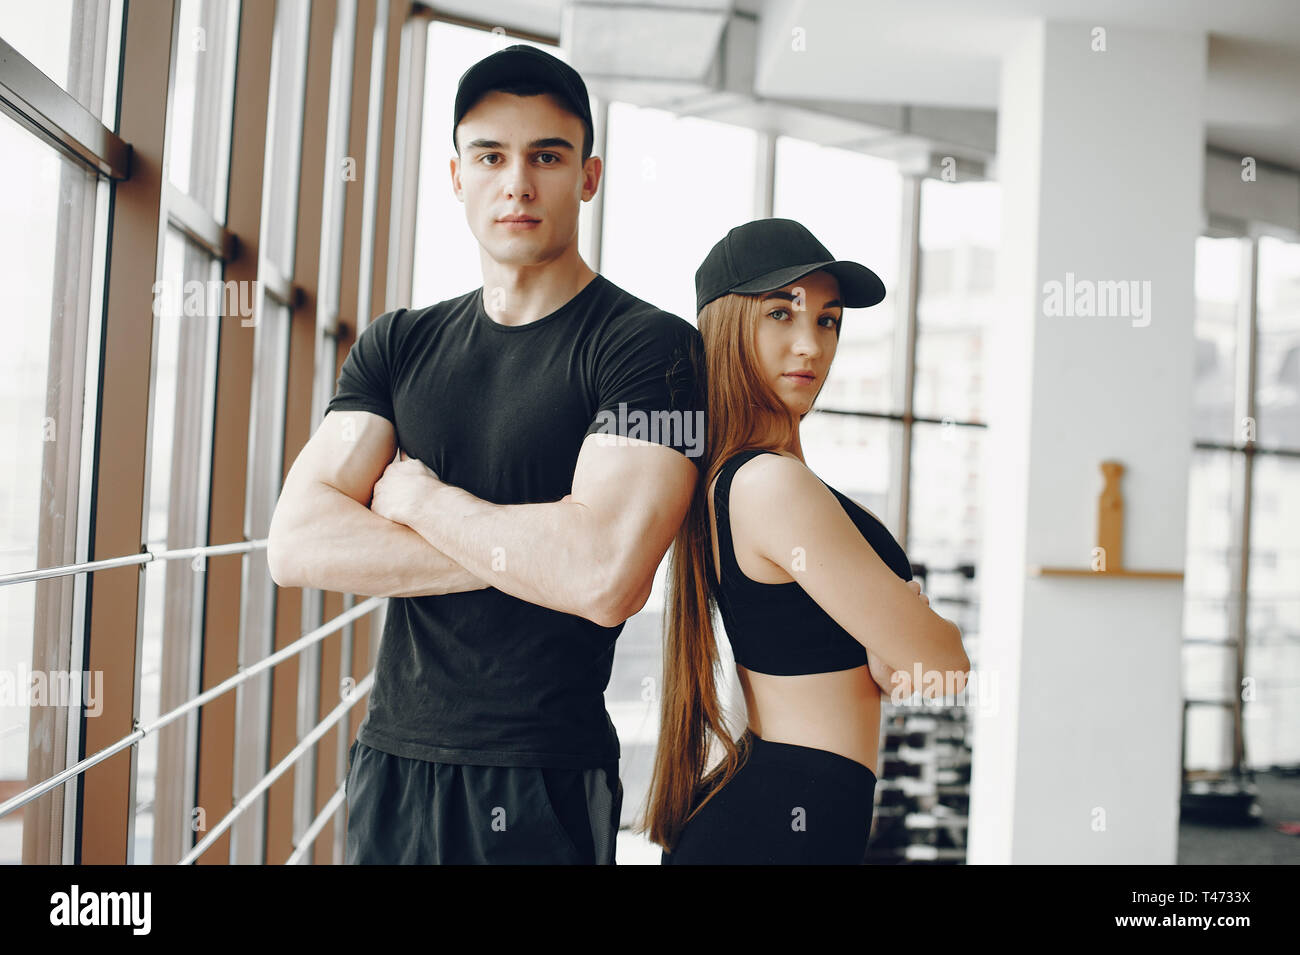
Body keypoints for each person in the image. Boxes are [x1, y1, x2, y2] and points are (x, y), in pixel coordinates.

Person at [267, 45, 704, 864]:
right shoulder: (398, 344)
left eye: (547, 155)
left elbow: (606, 579)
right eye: (491, 156)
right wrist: (535, 550)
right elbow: (295, 544)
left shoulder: (652, 350)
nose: (518, 182)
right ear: (457, 177)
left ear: (590, 175)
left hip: (542, 773)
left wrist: (423, 501)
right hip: (393, 762)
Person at [642, 218, 970, 864]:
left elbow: (923, 673)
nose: (811, 345)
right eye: (781, 314)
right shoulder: (771, 486)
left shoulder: (743, 479)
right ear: (730, 325)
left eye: (828, 320)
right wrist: (903, 632)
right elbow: (950, 665)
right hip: (777, 828)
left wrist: (897, 644)